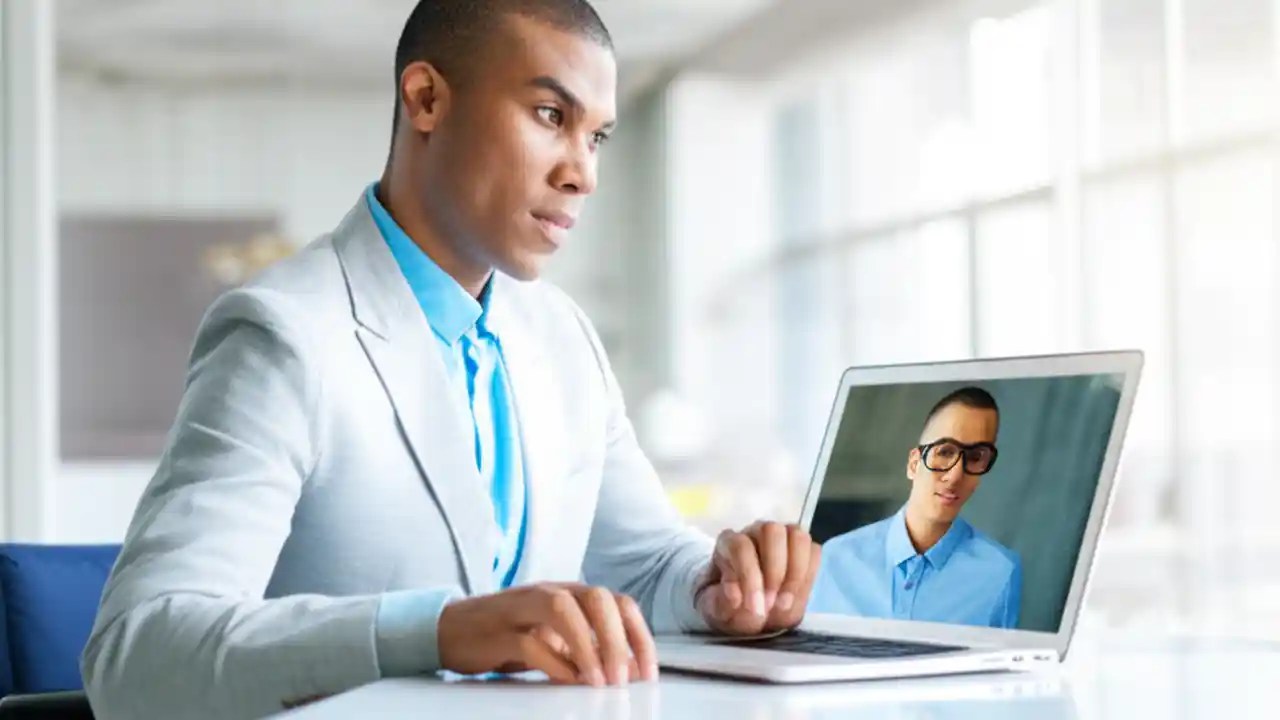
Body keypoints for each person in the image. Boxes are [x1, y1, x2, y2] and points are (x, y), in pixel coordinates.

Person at [80, 2, 820, 717]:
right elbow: (136, 656)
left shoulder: (563, 336)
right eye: (550, 116)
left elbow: (649, 565)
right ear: (427, 99)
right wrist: (434, 632)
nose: (582, 174)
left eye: (596, 137)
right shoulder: (284, 334)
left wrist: (714, 588)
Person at [808, 387, 1022, 629]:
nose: (954, 476)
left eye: (975, 457)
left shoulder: (1001, 571)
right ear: (913, 464)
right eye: (944, 451)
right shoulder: (835, 558)